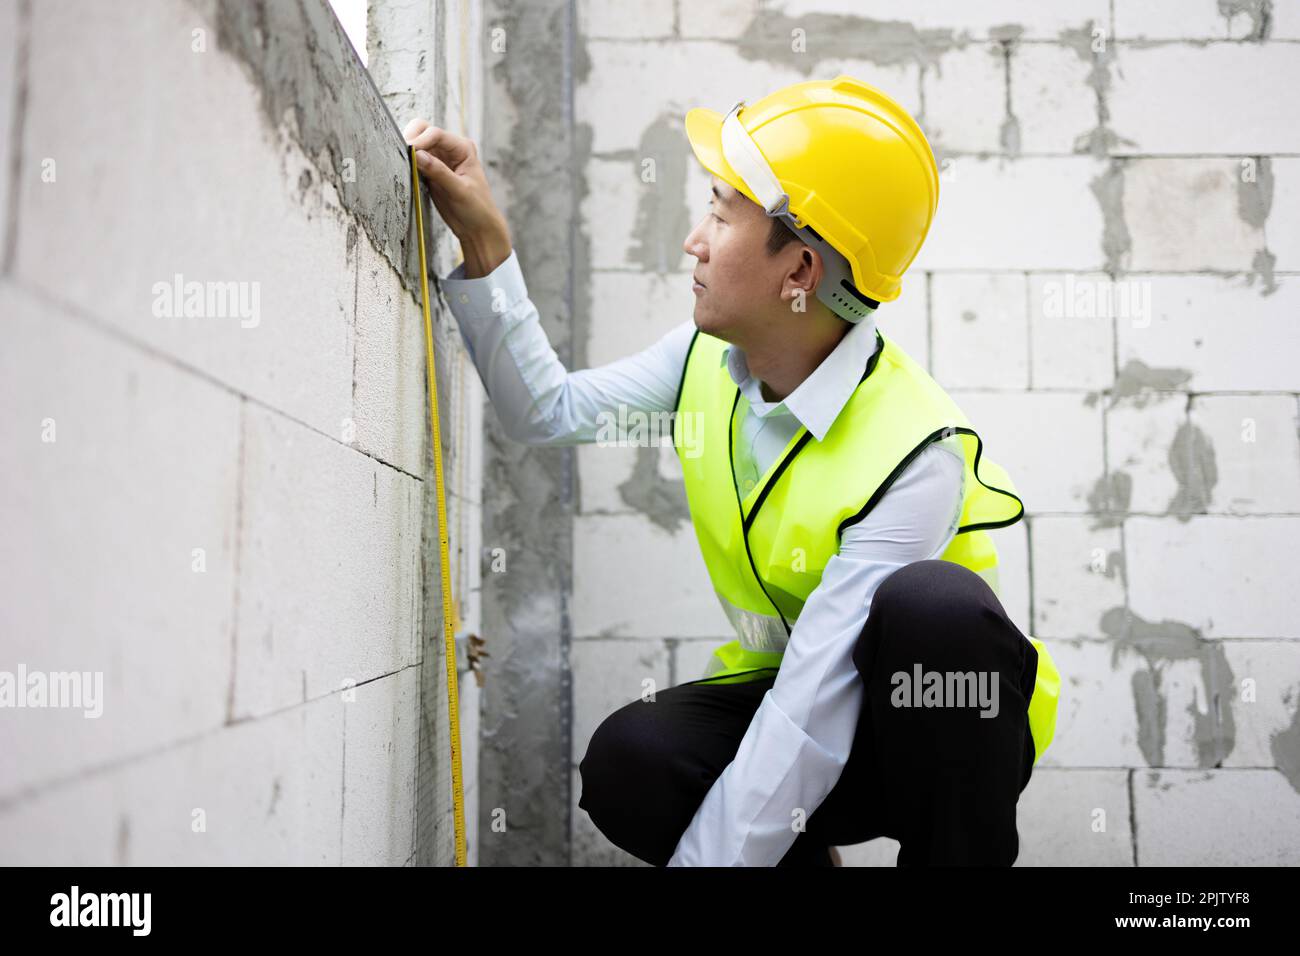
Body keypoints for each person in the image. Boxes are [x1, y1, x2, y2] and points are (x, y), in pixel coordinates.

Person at [403, 74, 1060, 868]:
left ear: (799, 272)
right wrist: (485, 245)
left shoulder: (914, 452)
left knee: (938, 609)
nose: (695, 239)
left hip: (930, 735)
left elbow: (816, 707)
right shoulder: (705, 362)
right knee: (633, 760)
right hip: (801, 697)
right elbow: (547, 411)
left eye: (720, 212)